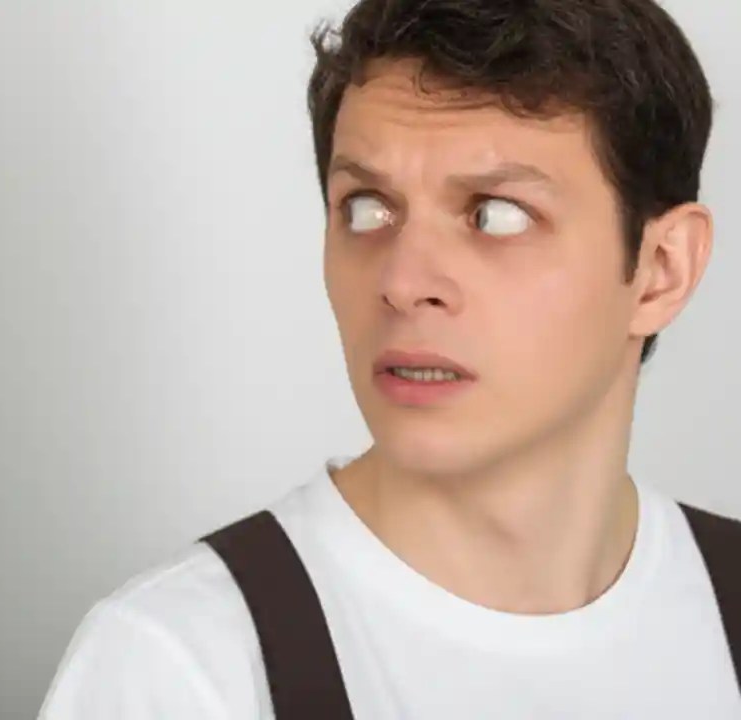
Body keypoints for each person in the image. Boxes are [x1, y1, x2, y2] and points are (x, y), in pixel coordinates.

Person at [38, 0, 741, 717]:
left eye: (496, 215)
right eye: (367, 208)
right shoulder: (186, 667)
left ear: (661, 271)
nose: (402, 282)